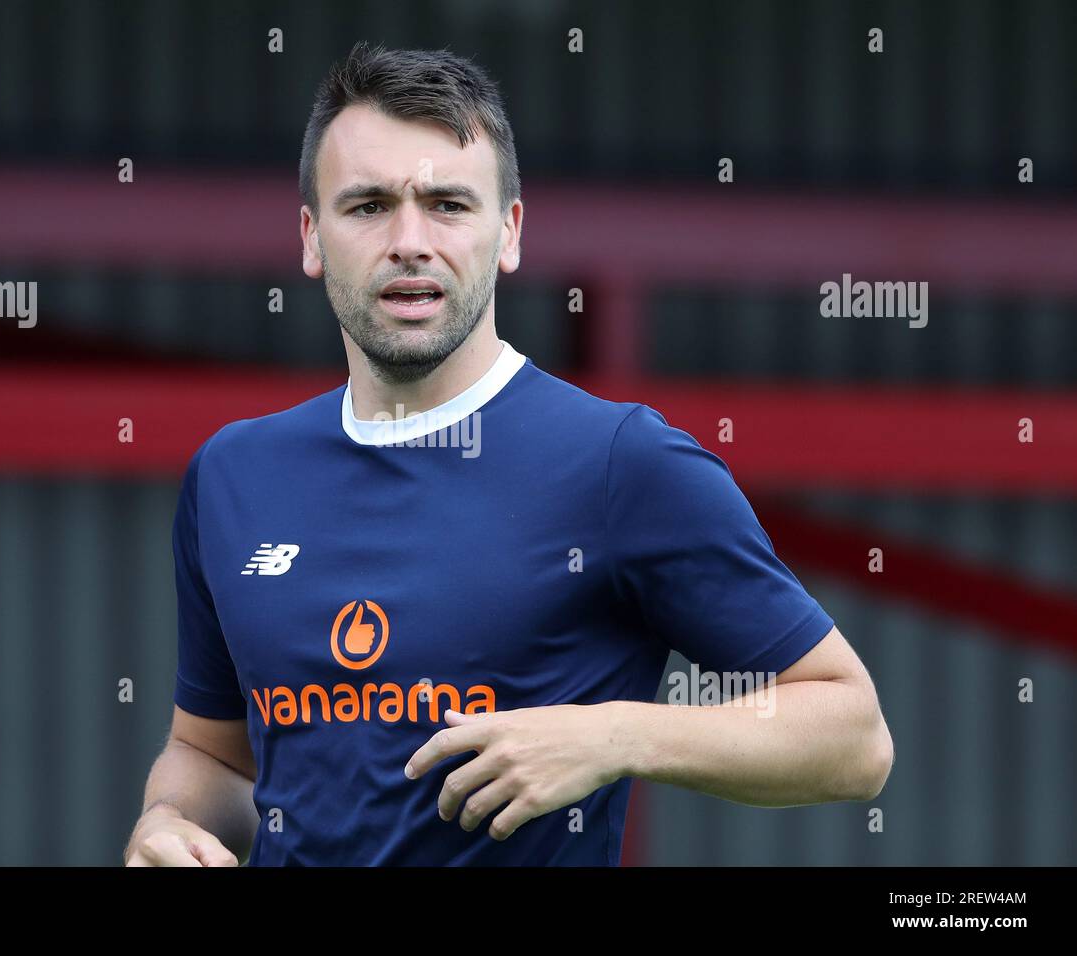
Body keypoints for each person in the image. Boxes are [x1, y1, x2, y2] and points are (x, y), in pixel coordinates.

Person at [124, 41, 893, 867]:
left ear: (509, 233)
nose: (409, 240)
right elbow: (214, 756)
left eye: (449, 204)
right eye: (369, 205)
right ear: (312, 238)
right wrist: (166, 822)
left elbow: (853, 736)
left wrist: (613, 735)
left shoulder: (619, 462)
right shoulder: (236, 475)